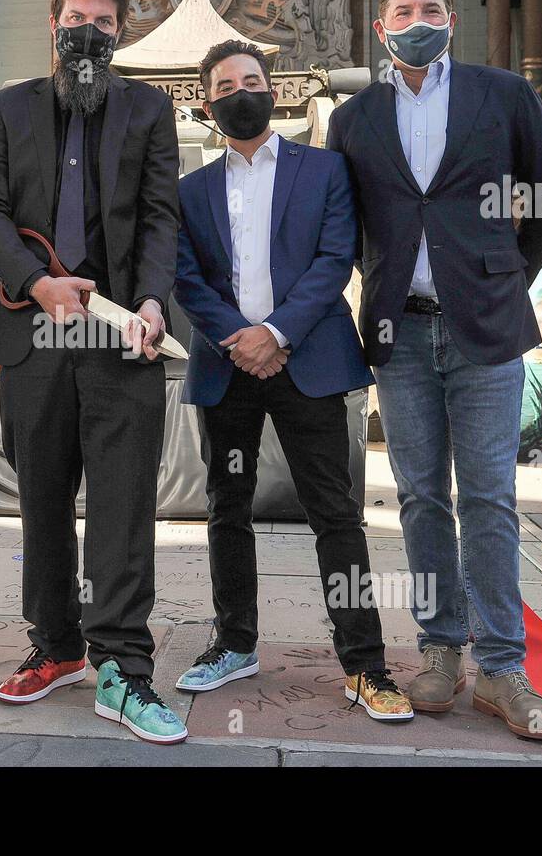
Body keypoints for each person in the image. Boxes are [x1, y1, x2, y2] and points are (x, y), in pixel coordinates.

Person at [326, 0, 542, 739]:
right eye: (403, 10)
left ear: (451, 18)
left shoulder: (502, 95)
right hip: (400, 334)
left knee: (490, 497)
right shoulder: (354, 118)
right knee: (419, 496)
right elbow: (344, 226)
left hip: (487, 332)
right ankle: (440, 648)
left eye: (431, 7)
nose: (418, 19)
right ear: (380, 27)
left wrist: (502, 276)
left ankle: (503, 667)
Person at [0, 0, 186, 743]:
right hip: (34, 334)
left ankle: (124, 666)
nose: (86, 34)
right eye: (74, 21)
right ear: (52, 25)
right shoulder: (9, 108)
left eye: (101, 23)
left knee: (125, 504)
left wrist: (155, 301)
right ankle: (56, 645)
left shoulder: (150, 111)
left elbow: (163, 217)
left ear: (119, 32)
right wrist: (34, 283)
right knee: (42, 502)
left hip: (125, 336)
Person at [172, 40, 413, 722]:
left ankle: (364, 664)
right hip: (227, 366)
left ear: (272, 91)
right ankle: (234, 641)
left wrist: (275, 335)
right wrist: (240, 340)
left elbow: (335, 258)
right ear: (208, 101)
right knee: (226, 506)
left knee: (333, 513)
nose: (240, 91)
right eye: (225, 84)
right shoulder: (192, 189)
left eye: (252, 80)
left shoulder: (325, 169)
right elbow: (187, 275)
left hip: (307, 359)